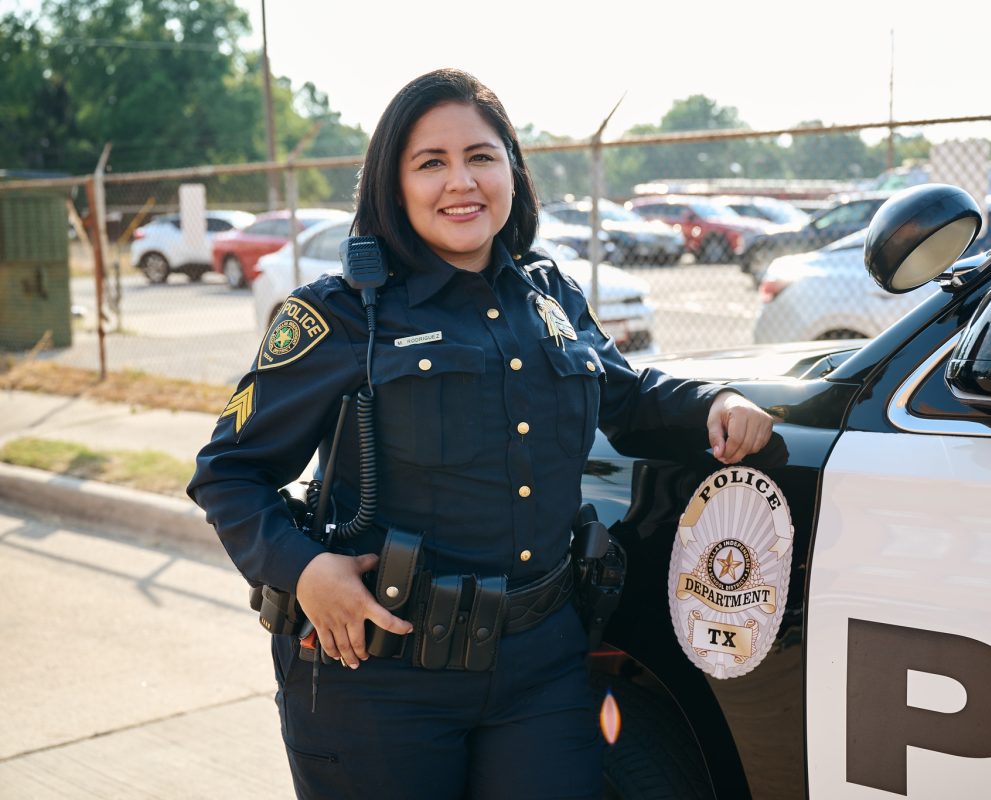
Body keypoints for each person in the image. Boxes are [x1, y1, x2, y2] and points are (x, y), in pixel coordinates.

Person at [188, 67, 775, 799]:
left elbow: (625, 394)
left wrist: (711, 401)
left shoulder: (549, 295)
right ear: (392, 186)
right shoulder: (339, 317)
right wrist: (304, 570)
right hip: (380, 676)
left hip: (543, 666)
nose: (460, 181)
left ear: (511, 172)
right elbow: (228, 471)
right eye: (430, 162)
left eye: (481, 157)